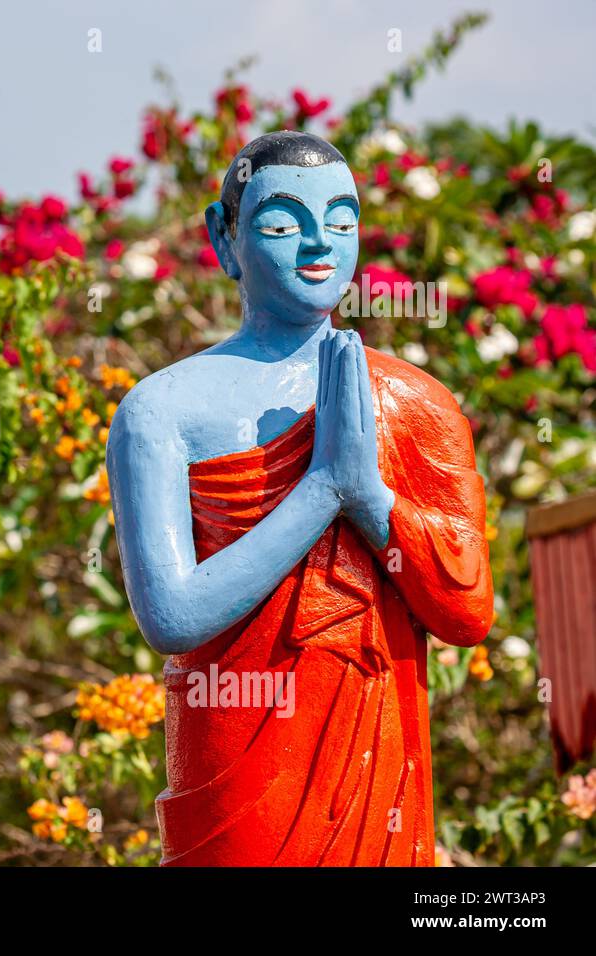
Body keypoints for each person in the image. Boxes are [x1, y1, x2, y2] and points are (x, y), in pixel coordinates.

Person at [107, 131, 493, 866]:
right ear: (224, 238)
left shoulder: (413, 403)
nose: (319, 244)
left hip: (374, 750)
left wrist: (372, 501)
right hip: (234, 759)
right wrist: (322, 490)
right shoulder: (162, 410)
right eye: (283, 224)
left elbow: (468, 611)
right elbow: (171, 617)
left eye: (342, 222)